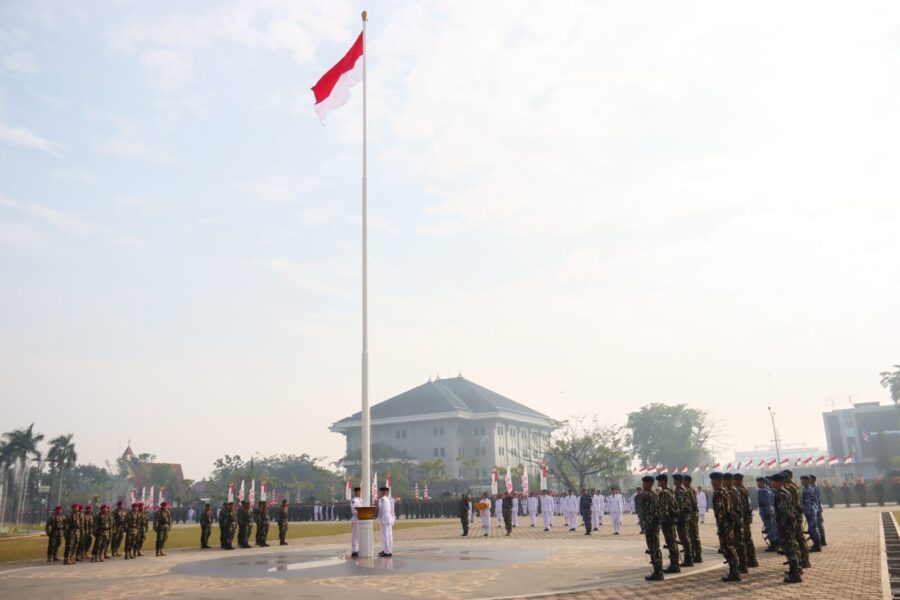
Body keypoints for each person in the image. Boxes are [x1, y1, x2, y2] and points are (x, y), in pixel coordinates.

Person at [771, 473, 802, 583]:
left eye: (773, 481)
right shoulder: (785, 492)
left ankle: (795, 574)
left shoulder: (780, 494)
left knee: (790, 549)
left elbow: (783, 512)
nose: (772, 483)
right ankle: (795, 570)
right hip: (789, 524)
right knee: (792, 547)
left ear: (778, 482)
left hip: (786, 525)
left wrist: (782, 527)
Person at [709, 472, 740, 582]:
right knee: (729, 546)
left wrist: (721, 525)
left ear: (718, 481)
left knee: (727, 547)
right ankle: (735, 570)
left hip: (724, 524)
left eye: (713, 480)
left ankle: (734, 571)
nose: (711, 482)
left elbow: (721, 511)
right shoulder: (725, 491)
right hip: (728, 523)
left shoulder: (718, 493)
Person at [640, 476, 664, 581]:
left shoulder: (648, 495)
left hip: (651, 525)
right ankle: (657, 571)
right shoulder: (653, 495)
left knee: (654, 548)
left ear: (649, 484)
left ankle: (658, 573)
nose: (643, 485)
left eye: (644, 483)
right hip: (653, 524)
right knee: (655, 548)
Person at [655, 474, 680, 573]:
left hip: (667, 522)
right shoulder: (670, 491)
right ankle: (675, 564)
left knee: (671, 543)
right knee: (672, 542)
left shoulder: (664, 493)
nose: (658, 482)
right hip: (671, 520)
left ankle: (674, 565)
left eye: (659, 481)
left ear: (663, 482)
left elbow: (664, 509)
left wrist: (662, 521)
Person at [722, 474, 747, 573]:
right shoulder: (735, 491)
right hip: (738, 520)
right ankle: (743, 565)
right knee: (739, 543)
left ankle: (740, 565)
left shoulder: (731, 492)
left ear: (728, 481)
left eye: (724, 480)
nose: (723, 483)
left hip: (734, 521)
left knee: (736, 543)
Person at [733, 473, 758, 568]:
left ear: (737, 480)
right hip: (745, 518)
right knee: (748, 539)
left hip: (741, 519)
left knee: (741, 540)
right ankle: (752, 559)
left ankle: (745, 561)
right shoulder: (744, 490)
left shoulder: (738, 491)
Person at [672, 474, 693, 567]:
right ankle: (689, 559)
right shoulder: (683, 489)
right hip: (684, 516)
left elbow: (679, 505)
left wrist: (676, 516)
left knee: (684, 538)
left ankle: (688, 560)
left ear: (678, 481)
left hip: (681, 517)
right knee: (685, 538)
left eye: (674, 480)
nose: (673, 481)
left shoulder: (679, 491)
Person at [683, 474, 702, 563]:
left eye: (683, 480)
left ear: (687, 481)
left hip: (691, 515)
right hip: (693, 514)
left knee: (693, 535)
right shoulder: (692, 490)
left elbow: (689, 504)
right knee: (694, 535)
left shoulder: (687, 490)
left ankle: (697, 555)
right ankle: (697, 555)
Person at [800, 476, 822, 552]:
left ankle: (817, 545)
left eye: (803, 480)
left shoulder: (807, 490)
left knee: (813, 528)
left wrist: (804, 509)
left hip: (810, 511)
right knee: (812, 528)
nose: (802, 482)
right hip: (812, 510)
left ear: (807, 481)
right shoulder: (810, 489)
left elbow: (808, 502)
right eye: (801, 480)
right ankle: (816, 544)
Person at [756, 477, 778, 552]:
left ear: (762, 482)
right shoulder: (768, 489)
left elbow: (766, 503)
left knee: (770, 528)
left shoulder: (763, 491)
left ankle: (773, 545)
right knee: (773, 528)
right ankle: (775, 543)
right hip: (771, 511)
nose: (757, 484)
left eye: (759, 482)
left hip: (766, 512)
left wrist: (768, 512)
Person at [377, 487, 394, 556]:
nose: (379, 494)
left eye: (380, 492)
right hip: (388, 518)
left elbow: (381, 510)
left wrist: (378, 518)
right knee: (389, 535)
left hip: (384, 518)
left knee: (385, 535)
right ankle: (388, 550)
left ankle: (386, 552)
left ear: (382, 492)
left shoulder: (382, 500)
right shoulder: (387, 499)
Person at [810, 474, 826, 546]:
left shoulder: (814, 488)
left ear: (813, 480)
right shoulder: (813, 487)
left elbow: (816, 500)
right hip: (816, 508)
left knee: (818, 525)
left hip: (816, 508)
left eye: (810, 479)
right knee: (818, 525)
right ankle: (821, 540)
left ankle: (822, 540)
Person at [350, 487, 362, 556]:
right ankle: (354, 551)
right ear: (356, 492)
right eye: (359, 492)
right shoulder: (354, 501)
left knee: (359, 535)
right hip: (356, 519)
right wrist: (360, 514)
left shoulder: (360, 500)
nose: (360, 493)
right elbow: (354, 511)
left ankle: (357, 549)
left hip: (360, 519)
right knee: (356, 536)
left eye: (360, 492)